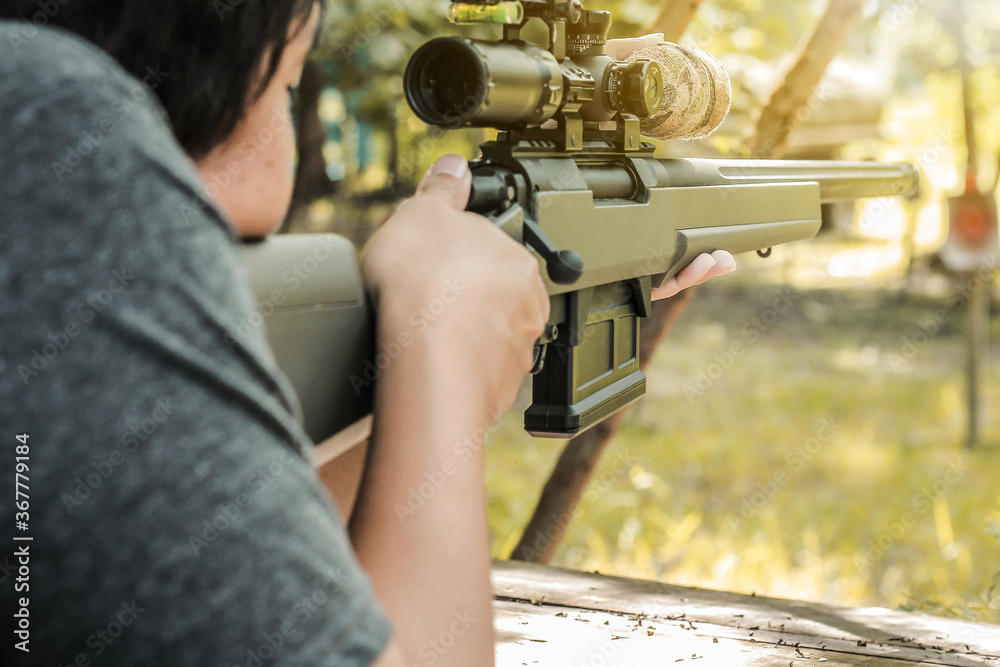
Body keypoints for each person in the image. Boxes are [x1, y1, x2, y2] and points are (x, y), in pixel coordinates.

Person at [0, 2, 735, 665]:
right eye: (289, 88)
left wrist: (428, 366)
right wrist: (440, 352)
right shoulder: (46, 114)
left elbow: (227, 563)